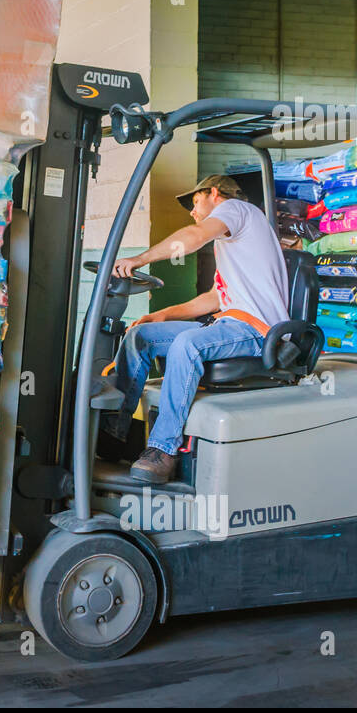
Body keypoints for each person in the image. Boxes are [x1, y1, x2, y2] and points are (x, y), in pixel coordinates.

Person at [107, 174, 290, 484]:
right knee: (140, 337)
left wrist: (140, 259)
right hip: (230, 324)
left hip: (258, 331)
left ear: (214, 193)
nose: (192, 212)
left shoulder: (236, 210)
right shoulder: (235, 242)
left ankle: (163, 450)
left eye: (195, 203)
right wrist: (161, 315)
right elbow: (215, 298)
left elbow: (193, 236)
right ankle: (113, 435)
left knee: (188, 343)